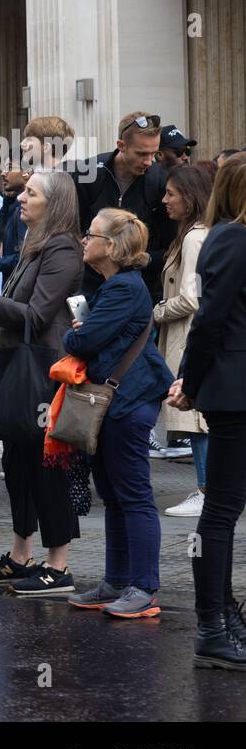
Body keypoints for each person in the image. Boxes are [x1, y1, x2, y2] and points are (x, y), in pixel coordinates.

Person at [0, 171, 83, 590]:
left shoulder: (62, 247)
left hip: (43, 369)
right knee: (16, 464)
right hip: (16, 366)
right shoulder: (32, 245)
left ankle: (58, 565)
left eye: (32, 193)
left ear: (55, 203)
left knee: (46, 465)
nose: (22, 198)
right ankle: (20, 555)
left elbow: (38, 315)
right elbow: (17, 308)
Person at [61, 209, 173, 617]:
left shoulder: (124, 288)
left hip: (128, 400)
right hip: (115, 400)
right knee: (112, 494)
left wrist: (73, 336)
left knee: (134, 495)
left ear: (111, 246)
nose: (84, 240)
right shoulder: (113, 285)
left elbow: (84, 341)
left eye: (90, 235)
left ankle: (143, 588)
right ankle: (116, 581)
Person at [168, 154, 246, 668]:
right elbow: (209, 319)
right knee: (219, 511)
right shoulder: (229, 238)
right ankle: (212, 625)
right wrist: (190, 383)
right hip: (233, 392)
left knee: (226, 510)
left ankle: (227, 616)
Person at [153, 164, 213, 518]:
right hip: (190, 334)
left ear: (189, 198)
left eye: (171, 194)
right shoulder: (198, 234)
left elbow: (191, 298)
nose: (164, 200)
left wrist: (155, 312)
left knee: (195, 418)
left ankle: (205, 489)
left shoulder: (193, 238)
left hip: (186, 335)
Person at [75, 111, 173, 300]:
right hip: (89, 287)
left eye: (154, 153)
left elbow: (171, 245)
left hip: (139, 289)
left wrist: (146, 259)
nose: (148, 161)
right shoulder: (88, 173)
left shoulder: (160, 180)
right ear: (121, 145)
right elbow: (71, 230)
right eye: (141, 153)